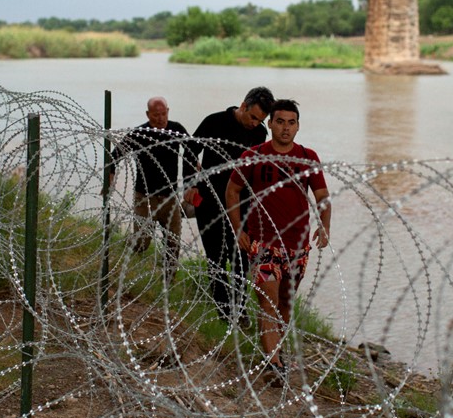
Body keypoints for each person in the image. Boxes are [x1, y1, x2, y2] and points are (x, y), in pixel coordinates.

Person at [225, 99, 330, 384]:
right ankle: (273, 363)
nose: (285, 128)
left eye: (291, 122)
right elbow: (232, 191)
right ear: (270, 124)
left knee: (285, 302)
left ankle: (278, 354)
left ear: (297, 126)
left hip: (297, 246)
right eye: (280, 121)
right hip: (263, 245)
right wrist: (239, 229)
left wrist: (324, 226)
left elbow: (322, 197)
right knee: (268, 303)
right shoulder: (254, 154)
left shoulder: (307, 156)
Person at [188, 86, 274, 325]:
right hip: (210, 202)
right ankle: (223, 313)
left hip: (241, 205)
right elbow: (189, 151)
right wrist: (191, 183)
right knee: (216, 257)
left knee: (240, 258)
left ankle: (241, 309)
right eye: (253, 117)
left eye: (261, 120)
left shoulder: (259, 133)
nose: (255, 123)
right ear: (243, 106)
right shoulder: (214, 122)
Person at [112, 96, 192, 282]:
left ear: (168, 112)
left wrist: (192, 179)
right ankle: (127, 265)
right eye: (156, 115)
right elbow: (117, 153)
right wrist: (111, 171)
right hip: (145, 197)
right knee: (141, 242)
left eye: (163, 114)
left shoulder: (177, 129)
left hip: (170, 197)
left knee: (173, 241)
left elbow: (190, 151)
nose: (160, 118)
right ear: (148, 114)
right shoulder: (139, 133)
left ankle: (168, 279)